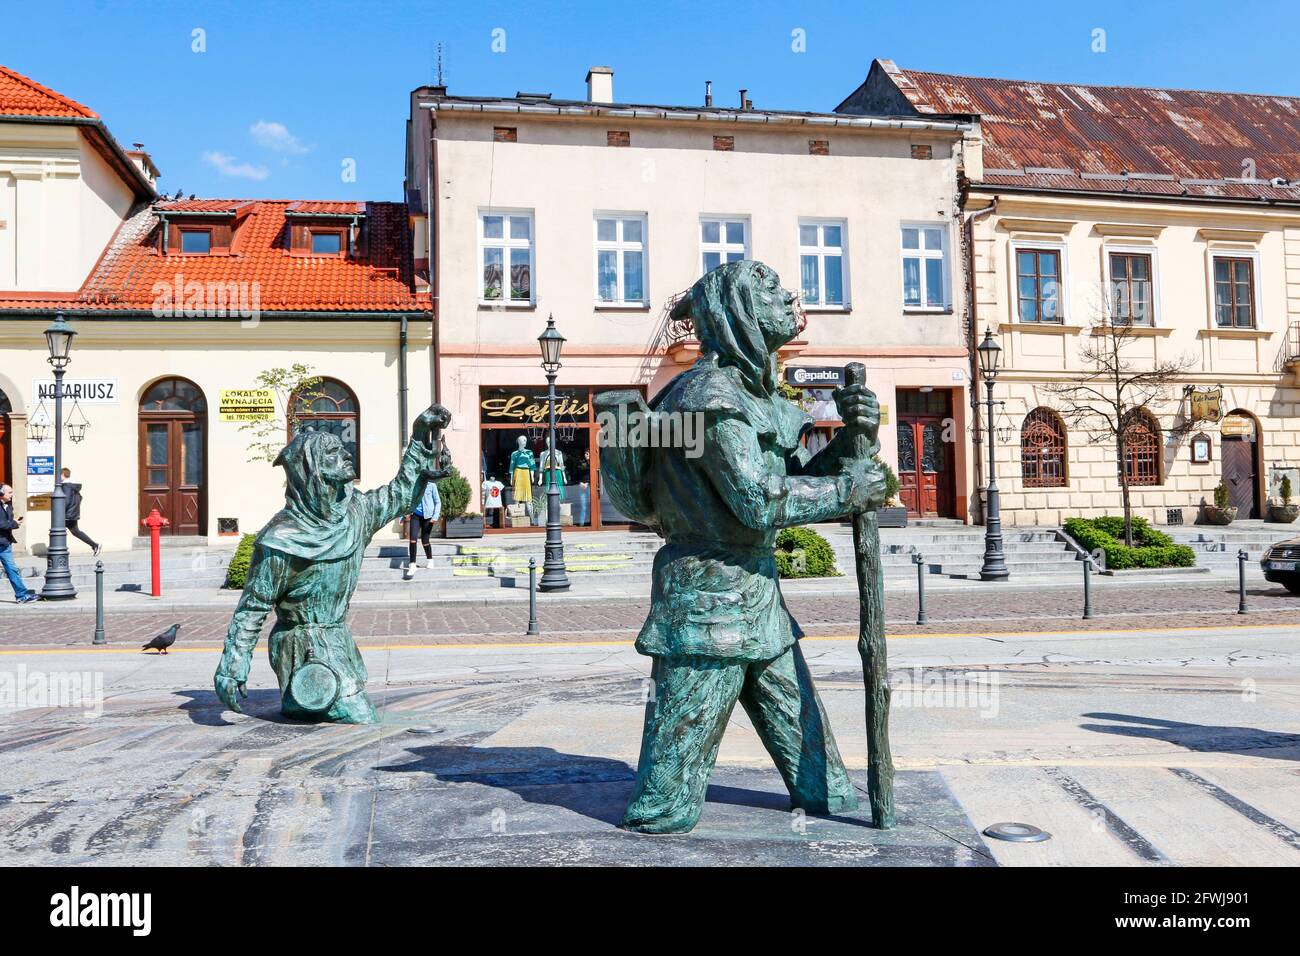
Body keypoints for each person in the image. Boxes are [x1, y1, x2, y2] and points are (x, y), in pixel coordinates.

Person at [597, 260, 885, 833]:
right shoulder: (709, 396)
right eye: (770, 289)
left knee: (825, 785)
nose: (788, 297)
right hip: (704, 607)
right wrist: (849, 489)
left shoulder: (754, 393)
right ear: (738, 312)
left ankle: (821, 797)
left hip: (758, 602)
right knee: (665, 805)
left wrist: (854, 440)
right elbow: (757, 501)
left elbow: (790, 476)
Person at [214, 405, 452, 724]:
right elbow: (253, 607)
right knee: (361, 718)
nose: (345, 454)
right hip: (302, 646)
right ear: (309, 468)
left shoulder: (356, 512)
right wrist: (233, 667)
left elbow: (399, 495)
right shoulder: (280, 539)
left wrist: (421, 433)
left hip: (336, 638)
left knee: (327, 711)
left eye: (343, 448)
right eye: (331, 452)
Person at [1, 484, 39, 603]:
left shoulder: (8, 506)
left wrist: (14, 522)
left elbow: (6, 522)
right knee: (12, 569)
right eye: (10, 492)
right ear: (1, 495)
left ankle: (21, 595)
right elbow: (1, 524)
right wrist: (14, 524)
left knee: (13, 570)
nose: (12, 495)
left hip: (5, 543)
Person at [404, 473, 442, 580]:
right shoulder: (414, 485)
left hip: (428, 517)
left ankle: (430, 560)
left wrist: (435, 517)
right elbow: (408, 500)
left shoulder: (432, 485)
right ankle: (412, 565)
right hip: (415, 515)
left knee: (425, 540)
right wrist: (404, 515)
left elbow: (438, 502)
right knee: (412, 540)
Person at [60, 468, 101, 556]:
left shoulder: (66, 486)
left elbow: (66, 501)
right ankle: (94, 545)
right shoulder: (74, 486)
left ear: (63, 474)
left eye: (59, 475)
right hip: (72, 513)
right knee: (75, 531)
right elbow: (79, 498)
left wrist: (59, 512)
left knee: (57, 531)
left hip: (66, 514)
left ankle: (59, 552)